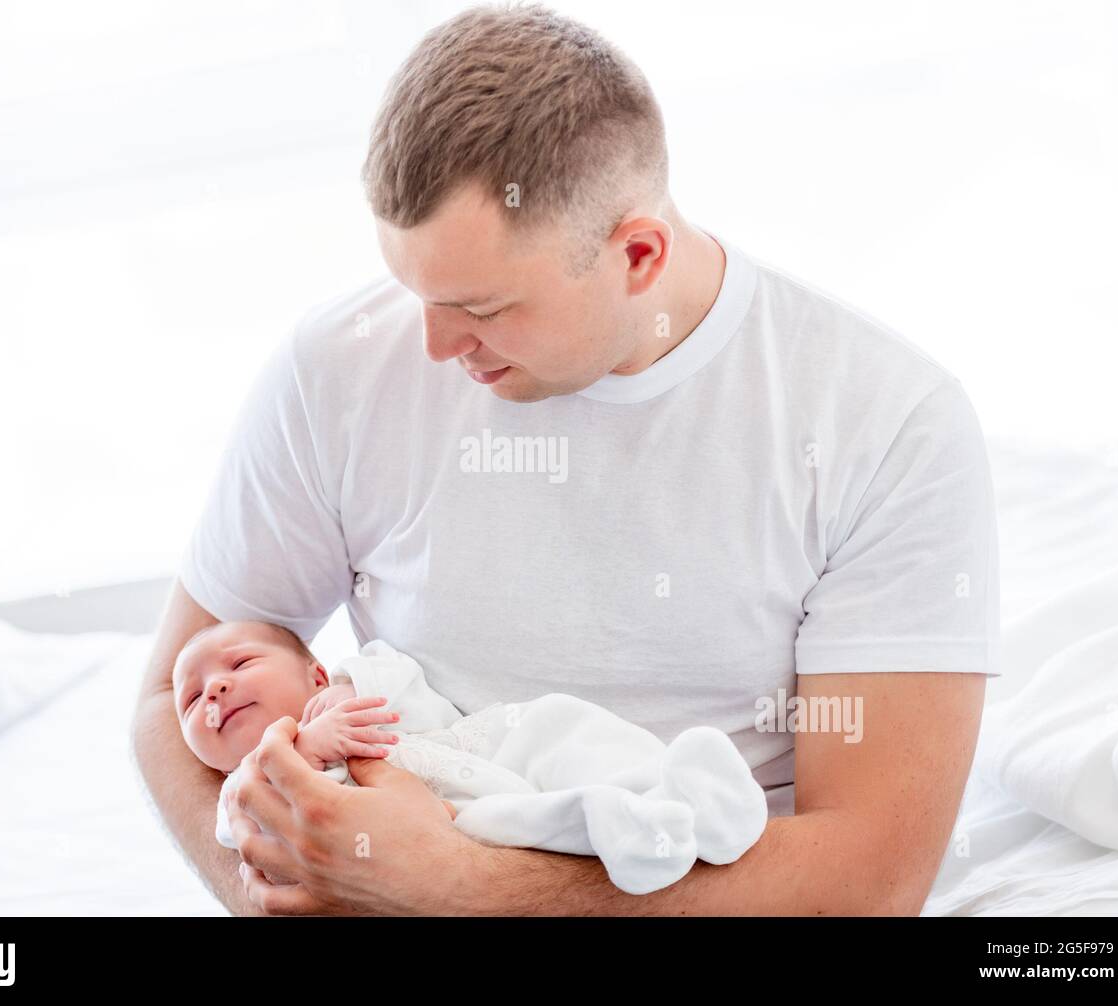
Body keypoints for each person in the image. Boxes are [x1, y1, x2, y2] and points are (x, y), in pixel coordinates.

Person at [132, 2, 1000, 916]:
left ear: (637, 254)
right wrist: (283, 884)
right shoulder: (338, 366)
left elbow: (870, 878)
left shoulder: (888, 425)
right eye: (410, 287)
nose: (431, 346)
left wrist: (457, 888)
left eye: (483, 306)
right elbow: (165, 696)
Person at [172, 620, 768, 896]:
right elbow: (248, 837)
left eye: (240, 665)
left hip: (485, 747)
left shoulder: (355, 685)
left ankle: (683, 796)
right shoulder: (240, 790)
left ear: (318, 671)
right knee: (528, 824)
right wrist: (301, 749)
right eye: (193, 698)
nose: (216, 690)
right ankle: (634, 832)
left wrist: (343, 698)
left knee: (558, 723)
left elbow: (396, 678)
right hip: (460, 821)